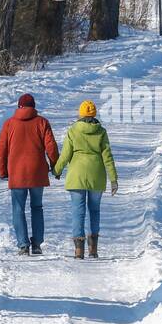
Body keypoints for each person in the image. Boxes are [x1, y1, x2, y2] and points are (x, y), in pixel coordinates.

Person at [53, 99, 118, 259]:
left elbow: (66, 154)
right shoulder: (101, 132)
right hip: (97, 176)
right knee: (94, 210)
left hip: (77, 176)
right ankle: (93, 249)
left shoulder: (73, 131)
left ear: (80, 114)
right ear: (94, 114)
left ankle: (79, 250)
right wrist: (113, 179)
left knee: (78, 212)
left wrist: (57, 170)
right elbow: (107, 156)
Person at [0, 93, 58, 255]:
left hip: (17, 173)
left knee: (18, 209)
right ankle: (37, 243)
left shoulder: (9, 124)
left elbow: (1, 149)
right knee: (37, 207)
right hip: (37, 172)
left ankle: (23, 245)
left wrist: (3, 170)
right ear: (34, 107)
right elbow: (51, 147)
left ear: (19, 107)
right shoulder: (42, 122)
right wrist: (55, 166)